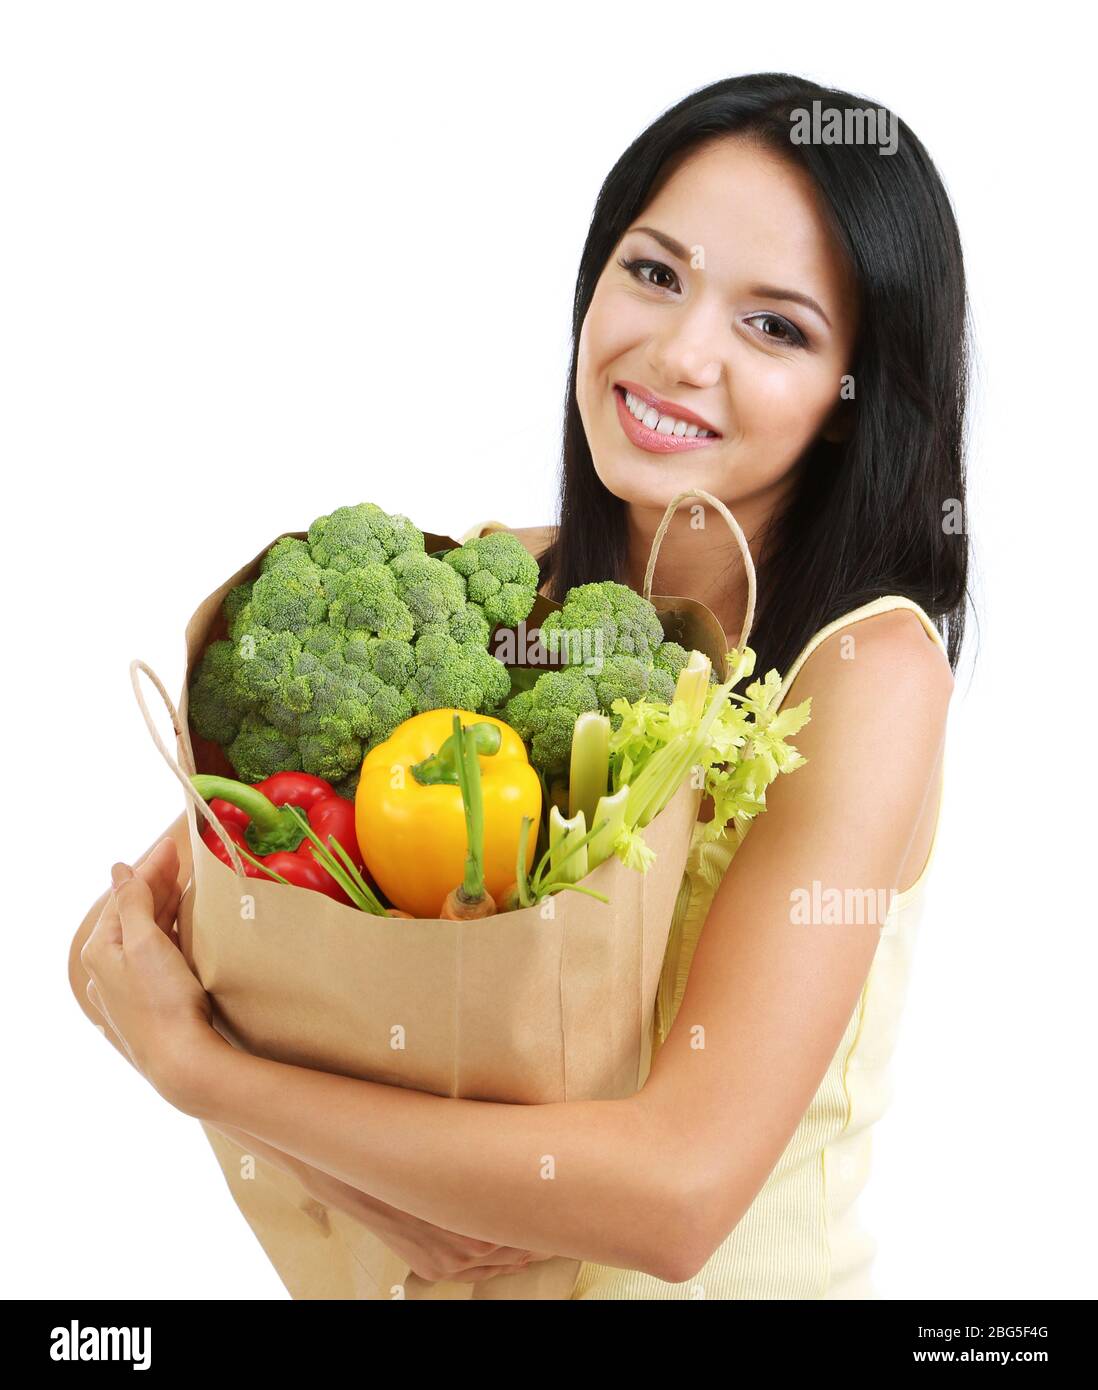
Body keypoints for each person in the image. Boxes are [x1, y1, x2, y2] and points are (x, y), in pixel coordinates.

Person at [69, 71, 968, 1298]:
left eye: (778, 327)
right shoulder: (495, 598)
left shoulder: (867, 669)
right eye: (655, 272)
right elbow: (124, 946)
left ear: (856, 403)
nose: (680, 350)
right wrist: (358, 1180)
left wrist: (208, 1079)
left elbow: (682, 1189)